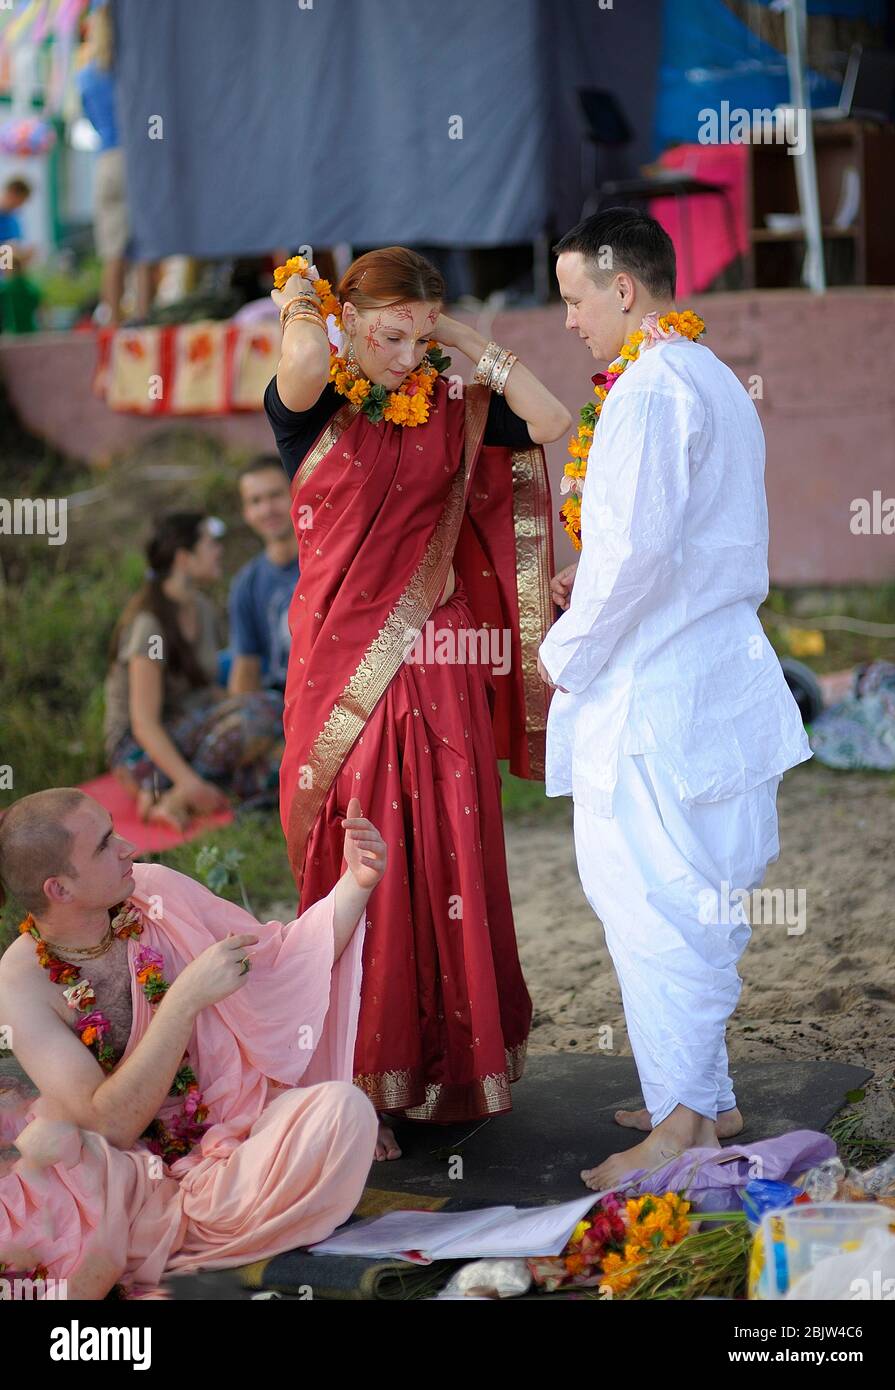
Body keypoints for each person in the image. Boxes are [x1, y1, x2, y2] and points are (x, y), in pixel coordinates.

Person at [266, 246, 570, 1158]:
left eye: (419, 336)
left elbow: (550, 419)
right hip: (340, 671)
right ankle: (357, 1079)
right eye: (389, 334)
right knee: (357, 856)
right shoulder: (313, 404)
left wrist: (464, 339)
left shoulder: (451, 403)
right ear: (348, 321)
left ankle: (447, 1066)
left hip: (437, 668)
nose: (406, 356)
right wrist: (298, 294)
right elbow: (308, 361)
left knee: (446, 854)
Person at [537, 209, 812, 1191]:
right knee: (691, 897)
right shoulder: (709, 377)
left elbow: (637, 555)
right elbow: (668, 542)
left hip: (660, 689)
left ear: (623, 287)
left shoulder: (652, 390)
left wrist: (560, 649)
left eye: (574, 299)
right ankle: (705, 1093)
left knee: (656, 905)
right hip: (712, 675)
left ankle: (682, 1127)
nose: (568, 321)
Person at [0, 787, 384, 1298]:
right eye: (104, 845)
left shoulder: (154, 892)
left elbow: (279, 962)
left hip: (228, 1130)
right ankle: (187, 1236)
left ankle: (196, 1238)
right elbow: (108, 1126)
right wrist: (183, 1002)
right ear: (60, 890)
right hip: (123, 1181)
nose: (129, 846)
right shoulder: (21, 981)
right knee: (76, 1226)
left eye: (116, 829)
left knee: (343, 1112)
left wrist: (355, 884)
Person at [104, 511, 285, 830]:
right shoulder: (151, 626)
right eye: (211, 543)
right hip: (140, 751)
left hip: (187, 734)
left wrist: (234, 713)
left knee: (275, 758)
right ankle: (183, 792)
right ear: (184, 558)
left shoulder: (201, 608)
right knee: (268, 707)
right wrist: (191, 782)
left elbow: (203, 690)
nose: (219, 550)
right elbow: (144, 723)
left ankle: (163, 797)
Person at [74, 3, 154, 325]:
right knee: (146, 246)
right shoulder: (133, 68)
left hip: (107, 161)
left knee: (112, 251)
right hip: (137, 159)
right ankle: (146, 319)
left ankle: (113, 323)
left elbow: (91, 121)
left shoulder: (86, 75)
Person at [227, 455, 299, 696]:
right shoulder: (246, 585)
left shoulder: (332, 564)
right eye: (256, 501)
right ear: (246, 512)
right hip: (281, 702)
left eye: (275, 496)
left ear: (296, 494)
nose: (267, 509)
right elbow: (246, 668)